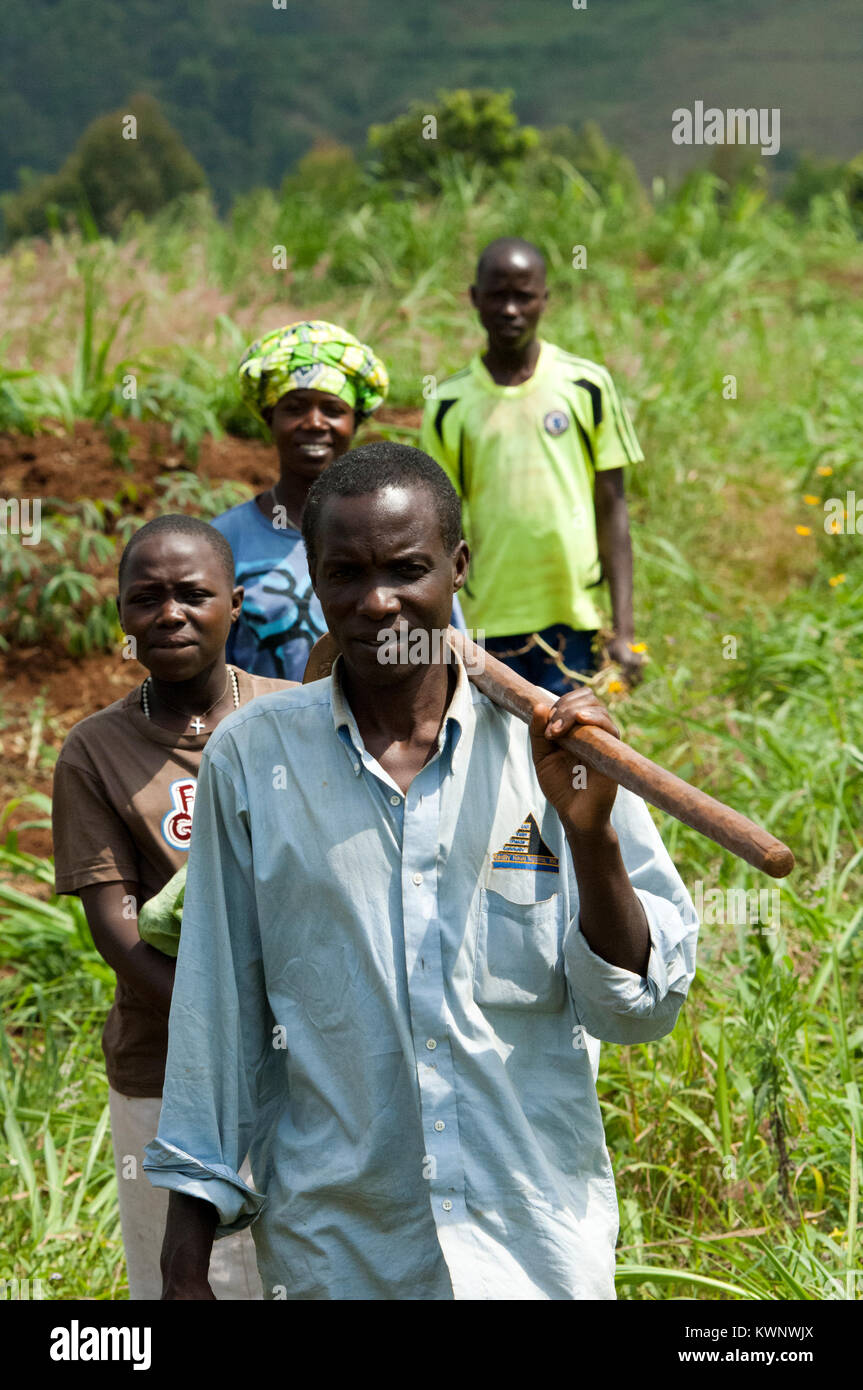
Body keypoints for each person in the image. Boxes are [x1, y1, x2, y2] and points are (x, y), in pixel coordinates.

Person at [144, 443, 698, 1301]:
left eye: (407, 569)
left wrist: (591, 836)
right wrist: (184, 1263)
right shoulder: (252, 760)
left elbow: (637, 1010)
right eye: (345, 574)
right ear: (315, 579)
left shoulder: (558, 751)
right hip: (342, 1249)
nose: (377, 603)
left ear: (458, 566)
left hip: (531, 1248)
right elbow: (220, 1009)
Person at [51, 514, 295, 1300]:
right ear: (121, 614)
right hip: (167, 1068)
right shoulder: (95, 750)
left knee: (309, 1269)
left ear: (236, 601)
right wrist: (229, 1030)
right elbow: (117, 931)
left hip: (312, 1063)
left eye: (193, 594)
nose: (170, 613)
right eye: (146, 597)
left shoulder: (297, 716)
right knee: (192, 1283)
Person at [419, 237, 645, 693]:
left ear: (545, 299)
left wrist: (625, 631)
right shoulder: (448, 403)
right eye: (497, 296)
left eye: (523, 296)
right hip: (484, 626)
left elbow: (612, 508)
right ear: (475, 299)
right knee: (495, 760)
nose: (510, 309)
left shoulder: (586, 386)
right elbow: (434, 524)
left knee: (568, 758)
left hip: (573, 621)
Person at [212, 320, 464, 682]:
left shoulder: (408, 533)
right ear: (270, 418)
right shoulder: (225, 542)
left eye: (332, 409)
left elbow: (449, 649)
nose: (314, 422)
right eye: (295, 408)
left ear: (354, 421)